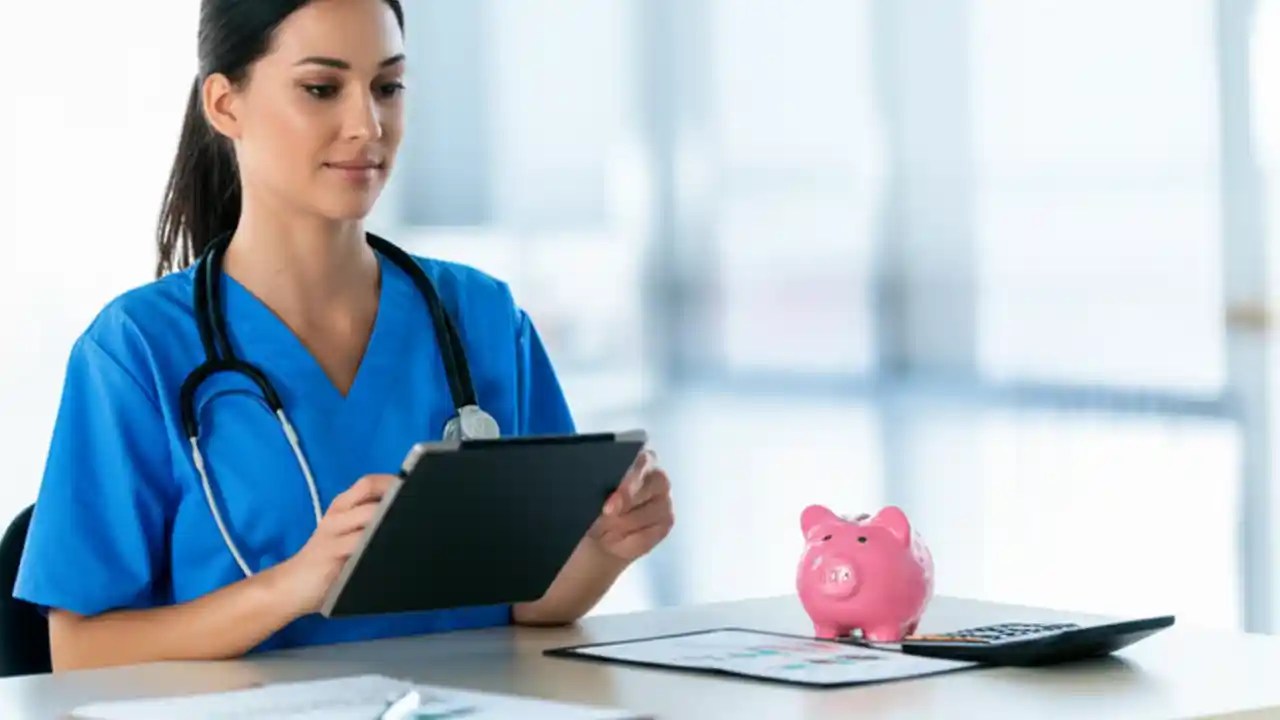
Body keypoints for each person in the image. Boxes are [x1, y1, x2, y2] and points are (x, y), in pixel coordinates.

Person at [13, 0, 674, 671]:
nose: (368, 124)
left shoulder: (483, 318)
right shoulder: (137, 351)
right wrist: (291, 588)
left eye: (387, 86)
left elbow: (531, 599)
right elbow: (80, 652)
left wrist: (606, 545)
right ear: (225, 105)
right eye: (321, 88)